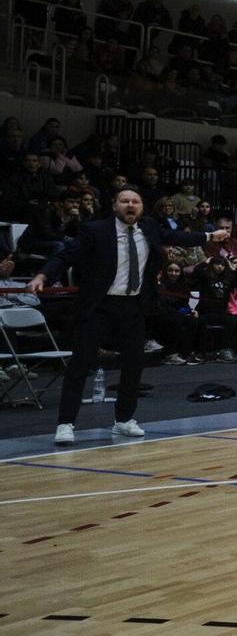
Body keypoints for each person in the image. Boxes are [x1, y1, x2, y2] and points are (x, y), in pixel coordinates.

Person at [28, 187, 168, 446]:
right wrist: (43, 275)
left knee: (134, 365)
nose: (130, 205)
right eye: (124, 201)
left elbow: (179, 236)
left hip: (133, 307)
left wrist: (208, 234)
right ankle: (65, 424)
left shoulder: (149, 229)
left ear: (142, 207)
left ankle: (124, 420)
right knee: (80, 365)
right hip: (100, 306)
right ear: (115, 206)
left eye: (135, 201)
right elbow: (66, 254)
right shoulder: (96, 230)